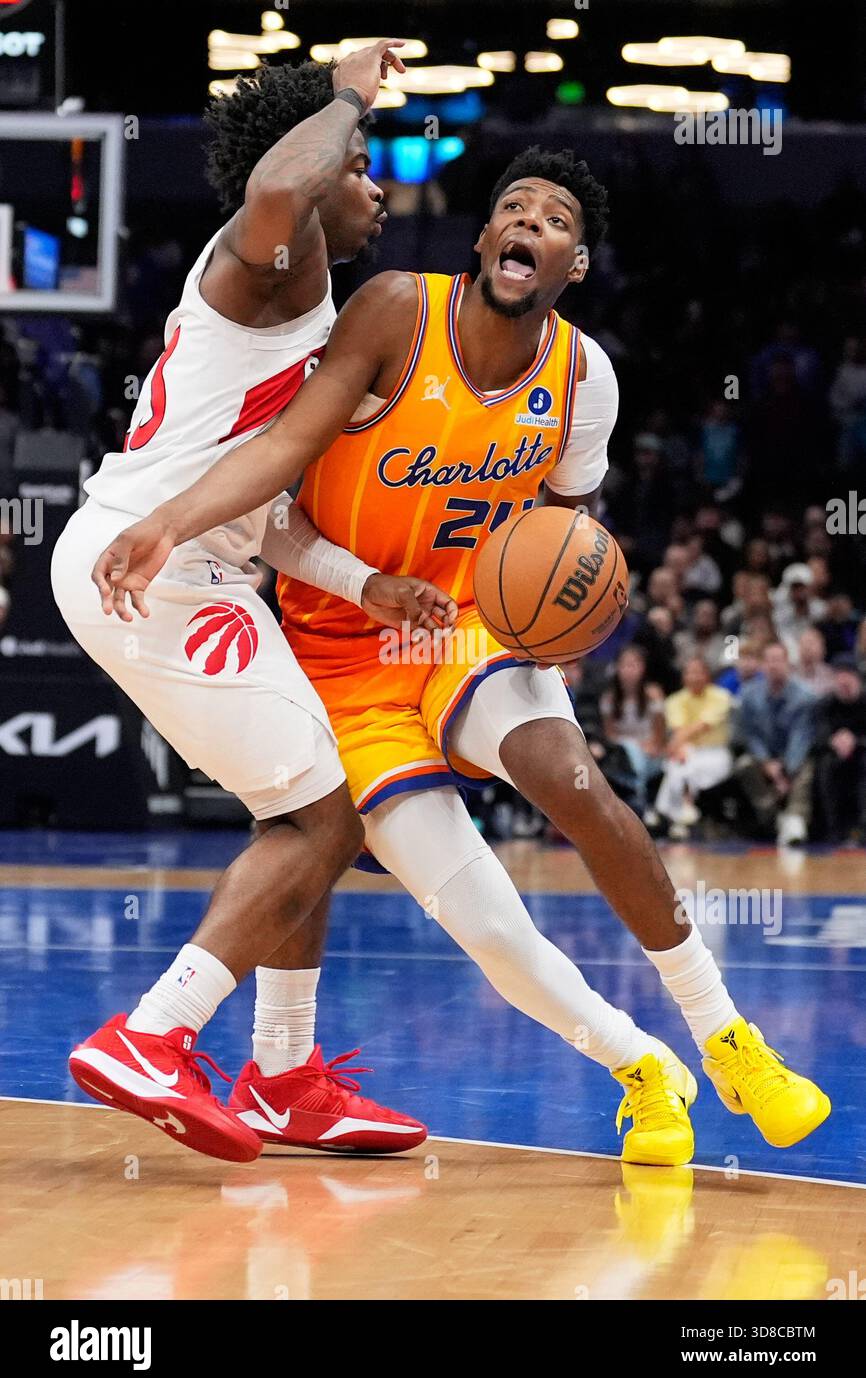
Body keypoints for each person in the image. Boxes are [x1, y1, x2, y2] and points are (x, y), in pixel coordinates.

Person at [92, 148, 830, 1163]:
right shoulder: (395, 311)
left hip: (463, 624)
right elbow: (274, 511)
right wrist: (350, 581)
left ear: (573, 264)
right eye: (511, 209)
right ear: (482, 242)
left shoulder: (582, 377)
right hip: (335, 642)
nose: (529, 221)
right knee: (479, 915)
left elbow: (565, 539)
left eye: (555, 218)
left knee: (569, 779)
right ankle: (640, 1066)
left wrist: (551, 626)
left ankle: (727, 1038)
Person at [49, 46, 448, 1162]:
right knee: (324, 817)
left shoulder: (296, 303)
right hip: (153, 565)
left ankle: (283, 1076)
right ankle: (154, 1034)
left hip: (192, 564)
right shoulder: (272, 256)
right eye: (360, 166)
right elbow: (280, 186)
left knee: (310, 811)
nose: (375, 187)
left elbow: (264, 506)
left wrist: (365, 584)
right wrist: (345, 94)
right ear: (316, 168)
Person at [735, 642, 816, 846]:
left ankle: (796, 820)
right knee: (744, 765)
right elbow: (751, 735)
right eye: (769, 661)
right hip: (764, 757)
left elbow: (802, 737)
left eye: (779, 660)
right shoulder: (749, 694)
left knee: (806, 769)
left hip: (793, 755)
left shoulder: (805, 697)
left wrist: (786, 769)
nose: (774, 665)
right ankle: (773, 818)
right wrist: (766, 763)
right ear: (762, 665)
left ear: (788, 663)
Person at [652, 657, 733, 839]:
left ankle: (663, 811)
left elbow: (701, 726)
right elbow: (679, 729)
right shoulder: (674, 700)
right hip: (687, 750)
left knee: (679, 767)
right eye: (690, 672)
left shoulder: (721, 696)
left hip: (715, 753)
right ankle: (683, 815)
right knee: (681, 764)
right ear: (684, 677)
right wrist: (679, 748)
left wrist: (674, 745)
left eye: (699, 672)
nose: (694, 677)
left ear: (707, 675)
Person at [599, 646, 665, 813]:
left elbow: (660, 733)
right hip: (624, 754)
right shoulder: (609, 698)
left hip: (652, 753)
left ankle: (639, 795)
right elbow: (610, 735)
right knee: (629, 749)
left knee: (636, 753)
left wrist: (649, 745)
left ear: (642, 668)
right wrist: (632, 745)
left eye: (633, 665)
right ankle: (636, 796)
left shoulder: (654, 694)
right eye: (625, 665)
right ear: (617, 668)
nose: (629, 670)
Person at [813, 655, 866, 843]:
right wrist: (833, 740)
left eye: (848, 675)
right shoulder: (825, 704)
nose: (843, 680)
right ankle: (833, 829)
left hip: (862, 754)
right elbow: (818, 736)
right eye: (839, 675)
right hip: (835, 756)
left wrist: (856, 741)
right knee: (825, 765)